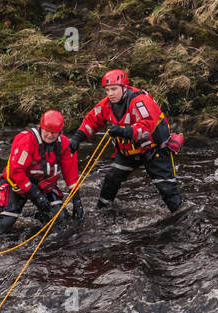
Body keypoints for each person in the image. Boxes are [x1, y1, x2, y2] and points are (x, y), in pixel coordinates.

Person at [66, 69, 186, 217]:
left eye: (114, 89)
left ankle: (180, 213)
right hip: (128, 152)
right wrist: (77, 138)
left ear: (124, 88)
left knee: (166, 187)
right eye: (107, 90)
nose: (110, 93)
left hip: (153, 150)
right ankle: (103, 211)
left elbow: (147, 126)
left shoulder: (139, 101)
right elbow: (92, 120)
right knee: (111, 180)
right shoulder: (107, 104)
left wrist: (124, 131)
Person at [0, 109, 82, 234]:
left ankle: (37, 215)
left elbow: (71, 174)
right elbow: (16, 171)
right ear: (41, 128)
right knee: (2, 227)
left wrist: (76, 200)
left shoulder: (64, 144)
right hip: (17, 184)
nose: (50, 135)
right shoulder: (27, 140)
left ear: (60, 132)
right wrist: (36, 195)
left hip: (44, 184)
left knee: (61, 222)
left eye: (54, 133)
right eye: (47, 131)